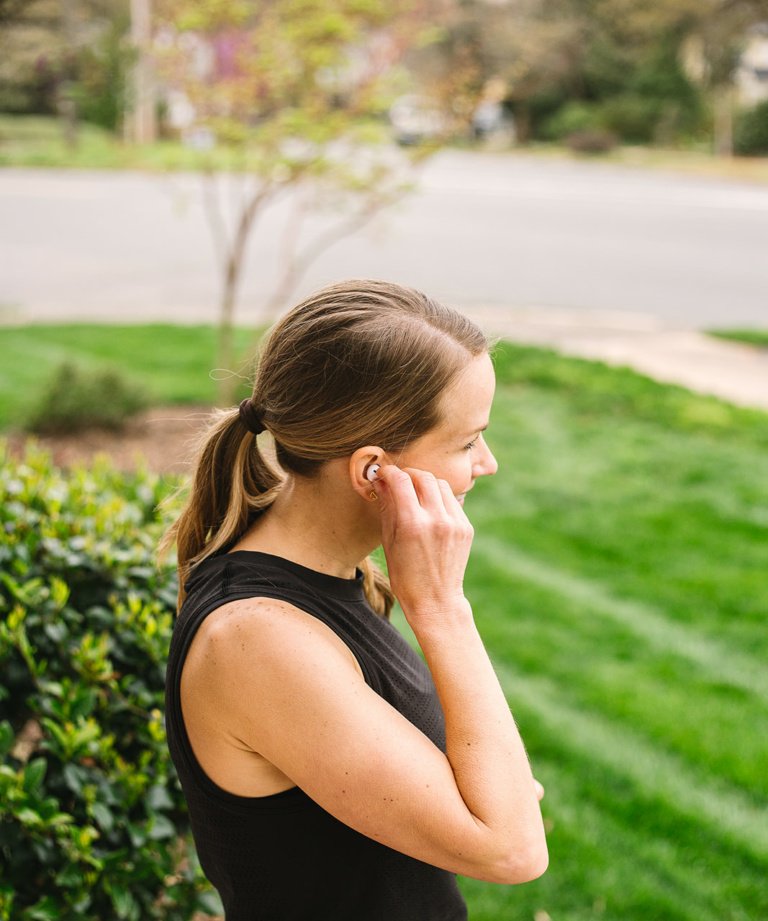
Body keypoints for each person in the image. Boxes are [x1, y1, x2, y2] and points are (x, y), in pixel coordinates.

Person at [162, 279, 548, 921]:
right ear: (374, 471)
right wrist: (443, 610)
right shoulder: (258, 638)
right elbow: (511, 849)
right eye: (467, 441)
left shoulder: (331, 578)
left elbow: (501, 791)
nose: (488, 463)